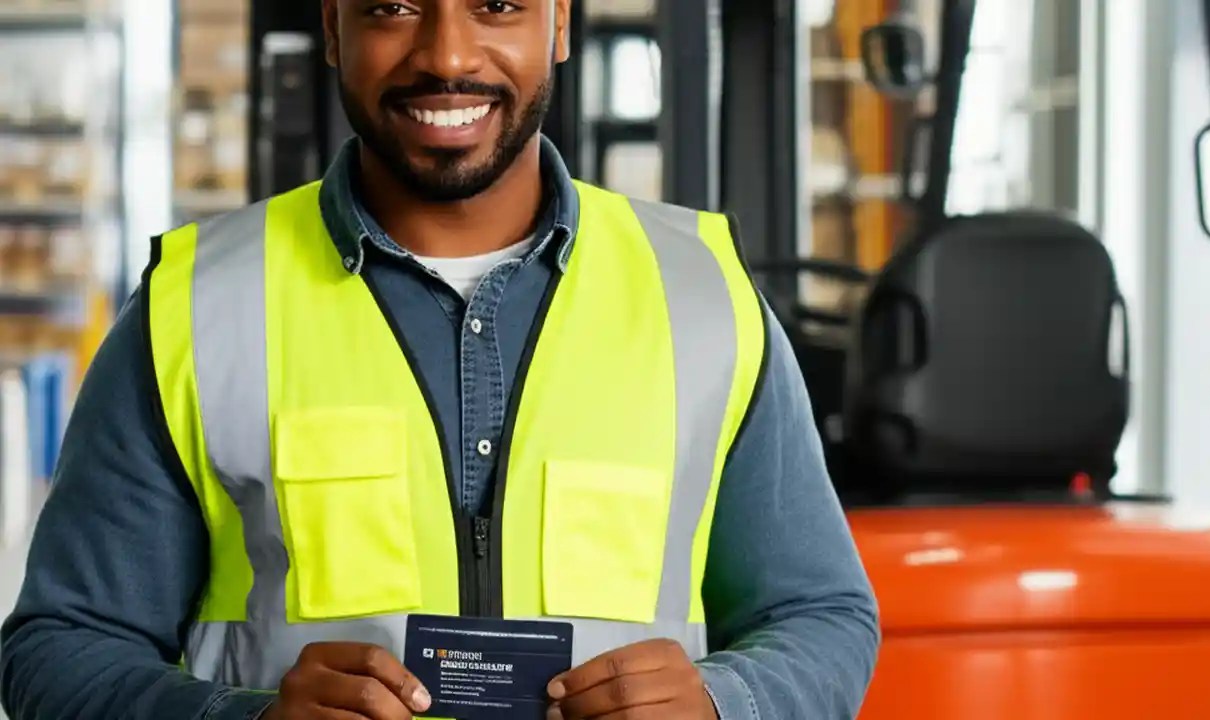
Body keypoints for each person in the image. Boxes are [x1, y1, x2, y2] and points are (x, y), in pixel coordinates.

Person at [0, 1, 881, 718]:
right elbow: (58, 652)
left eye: (497, 5)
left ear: (560, 22)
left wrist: (728, 703)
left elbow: (821, 617)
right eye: (393, 7)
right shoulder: (194, 310)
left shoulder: (703, 295)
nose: (446, 54)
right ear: (334, 28)